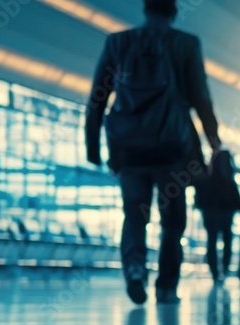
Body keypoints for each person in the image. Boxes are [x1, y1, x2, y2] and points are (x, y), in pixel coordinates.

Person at [85, 0, 221, 305]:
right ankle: (166, 286)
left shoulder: (118, 42)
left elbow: (98, 96)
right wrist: (214, 141)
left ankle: (134, 269)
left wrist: (93, 146)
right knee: (172, 220)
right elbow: (200, 95)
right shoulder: (186, 43)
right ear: (173, 13)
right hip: (172, 148)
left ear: (145, 11)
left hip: (129, 148)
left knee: (134, 214)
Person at [195, 149, 240, 284]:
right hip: (226, 214)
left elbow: (200, 197)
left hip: (211, 213)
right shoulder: (229, 179)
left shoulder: (208, 178)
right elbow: (236, 197)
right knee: (227, 240)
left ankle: (215, 272)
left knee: (212, 241)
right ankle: (225, 268)